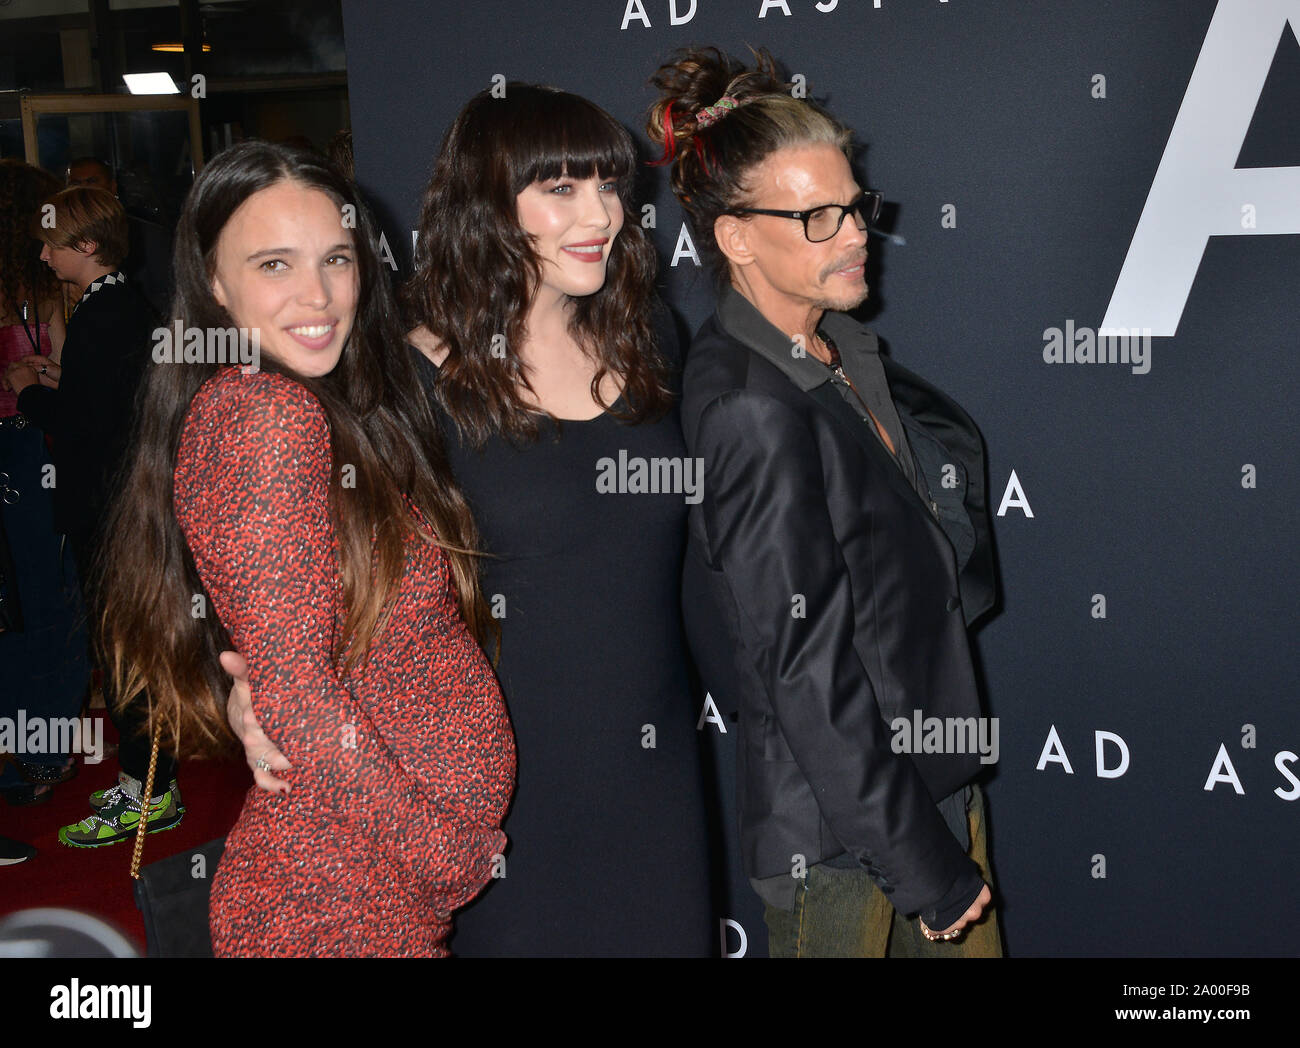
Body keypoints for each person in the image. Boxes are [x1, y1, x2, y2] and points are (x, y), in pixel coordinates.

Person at [229, 85, 716, 956]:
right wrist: (245, 687)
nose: (599, 212)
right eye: (560, 190)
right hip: (496, 800)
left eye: (608, 185)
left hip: (656, 774)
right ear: (489, 204)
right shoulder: (410, 382)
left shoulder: (651, 339)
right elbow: (279, 559)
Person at [96, 140, 514, 957]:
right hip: (332, 899)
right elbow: (296, 697)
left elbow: (283, 661)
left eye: (336, 258)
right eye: (274, 265)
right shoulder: (268, 419)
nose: (318, 294)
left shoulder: (304, 405)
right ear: (214, 284)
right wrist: (448, 850)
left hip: (360, 881)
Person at [649, 47, 1002, 957]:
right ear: (734, 237)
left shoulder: (837, 350)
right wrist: (922, 865)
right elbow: (803, 671)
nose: (854, 234)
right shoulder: (748, 407)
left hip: (932, 788)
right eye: (816, 217)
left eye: (854, 206)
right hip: (849, 848)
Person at [7, 185, 162, 837]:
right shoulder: (114, 306)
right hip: (116, 505)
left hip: (112, 510)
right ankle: (142, 784)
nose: (43, 255)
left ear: (89, 247)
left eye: (54, 244)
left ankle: (147, 790)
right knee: (121, 650)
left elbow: (85, 426)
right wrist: (56, 380)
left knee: (126, 654)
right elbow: (109, 403)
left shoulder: (107, 314)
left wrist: (26, 394)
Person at [0, 159, 84, 809]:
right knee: (50, 604)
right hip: (35, 450)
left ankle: (25, 752)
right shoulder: (42, 289)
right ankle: (44, 755)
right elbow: (62, 367)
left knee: (15, 610)